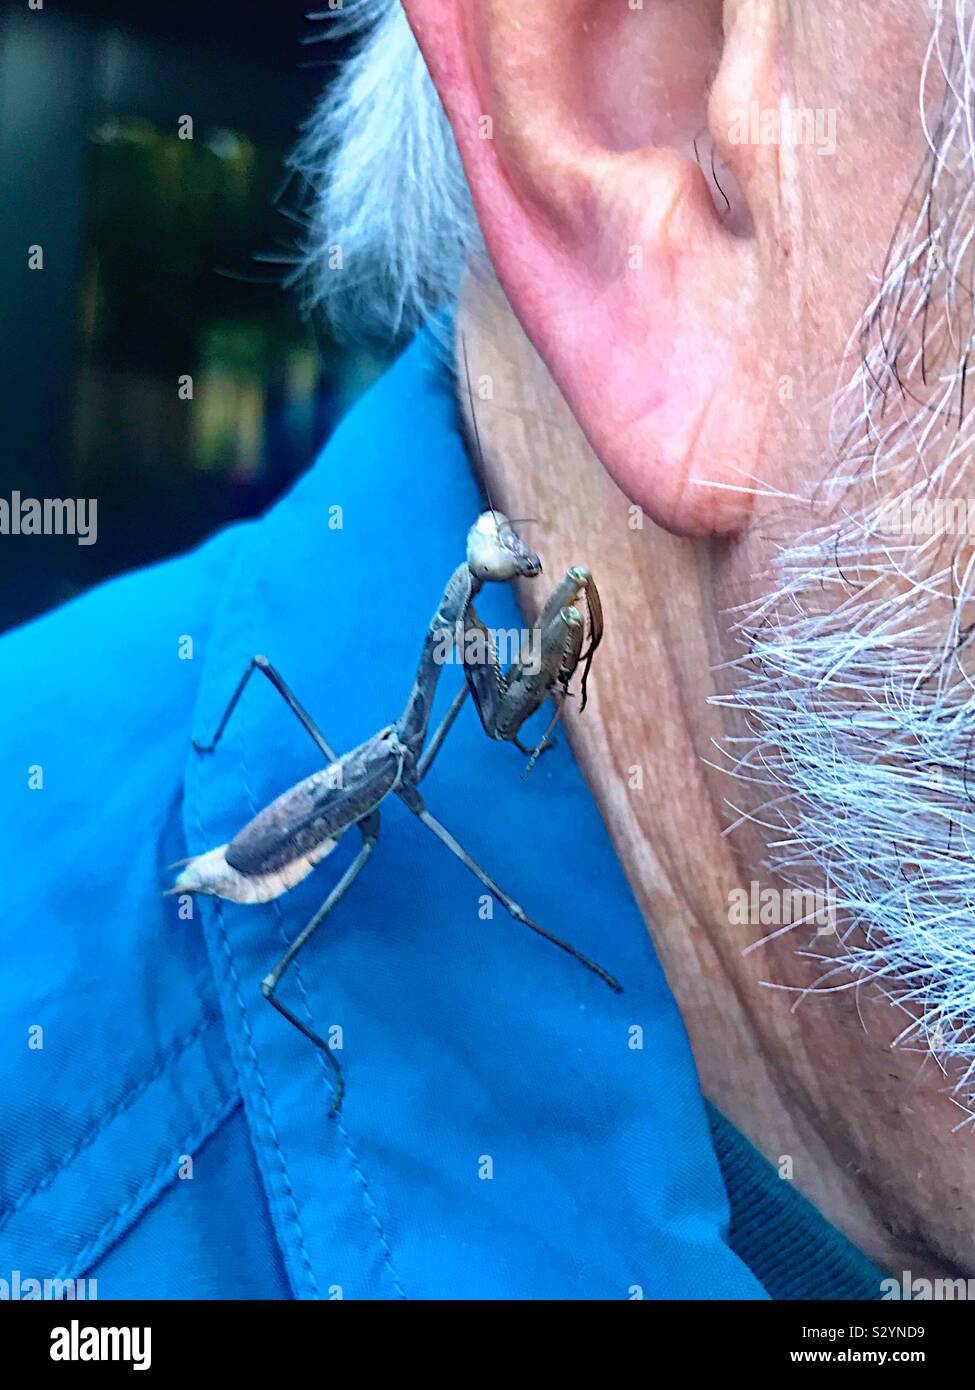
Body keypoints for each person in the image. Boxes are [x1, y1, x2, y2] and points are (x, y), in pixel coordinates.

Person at [1, 0, 963, 1297]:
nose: (525, 581)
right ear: (634, 85)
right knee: (314, 925)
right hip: (270, 861)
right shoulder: (64, 1188)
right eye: (506, 570)